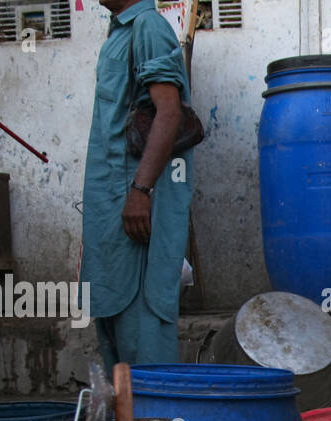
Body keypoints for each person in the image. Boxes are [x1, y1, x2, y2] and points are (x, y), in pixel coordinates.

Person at [81, 0, 195, 372]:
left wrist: (140, 192)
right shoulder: (120, 31)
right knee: (116, 341)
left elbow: (169, 111)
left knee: (144, 343)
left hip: (136, 210)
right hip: (112, 214)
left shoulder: (148, 26)